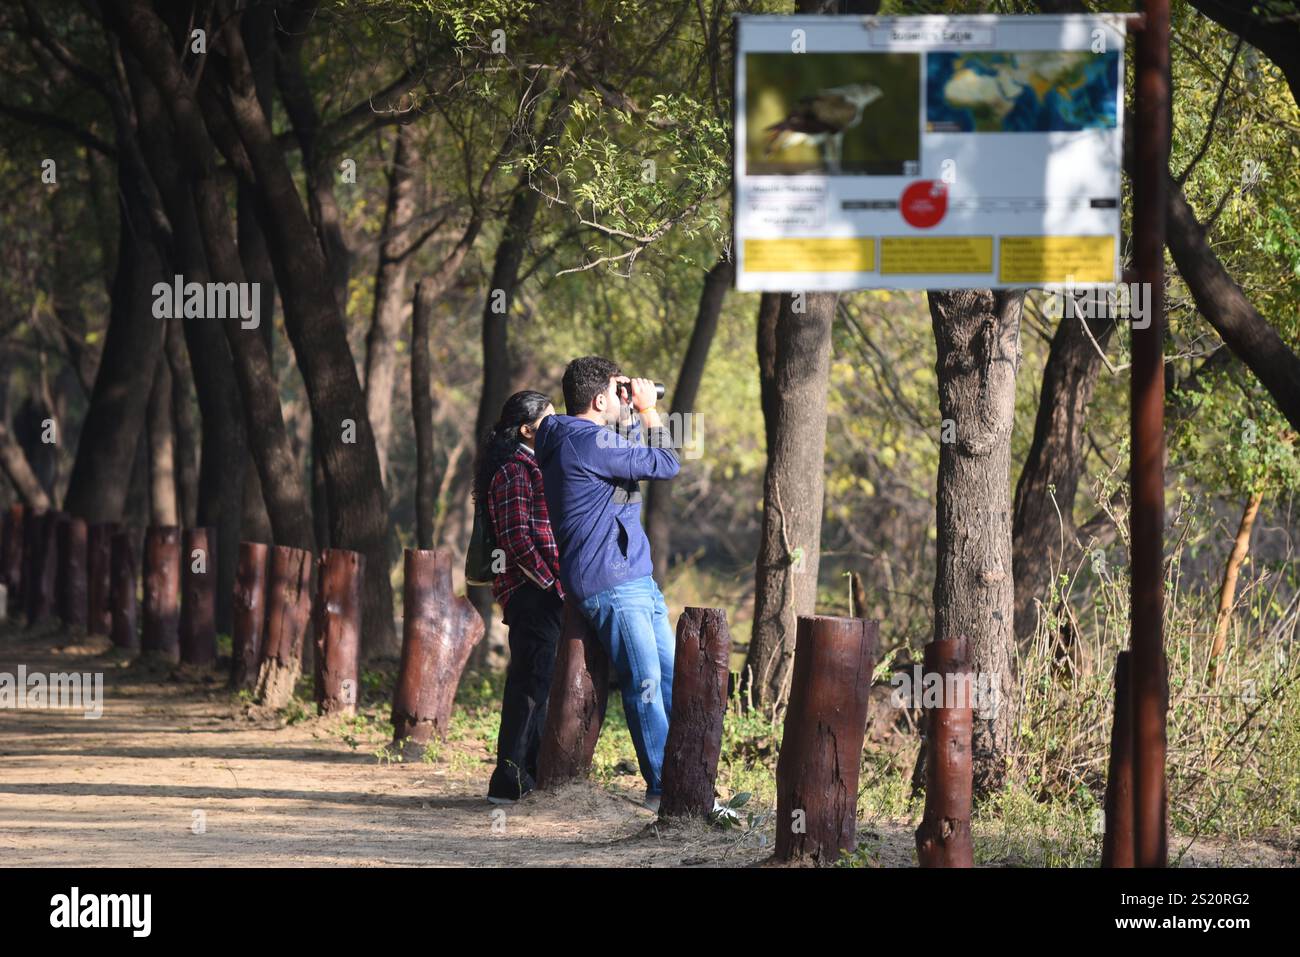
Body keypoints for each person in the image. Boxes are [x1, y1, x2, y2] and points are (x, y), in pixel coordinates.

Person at [534, 356, 681, 811]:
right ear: (599, 400)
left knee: (671, 677)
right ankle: (664, 789)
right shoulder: (587, 442)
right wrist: (648, 410)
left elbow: (630, 464)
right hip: (613, 581)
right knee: (646, 683)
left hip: (633, 577)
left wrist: (630, 413)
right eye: (618, 391)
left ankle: (685, 775)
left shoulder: (578, 439)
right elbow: (666, 462)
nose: (628, 396)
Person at [475, 390, 562, 804]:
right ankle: (508, 782)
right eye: (550, 418)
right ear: (527, 429)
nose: (557, 424)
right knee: (529, 686)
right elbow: (516, 539)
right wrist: (550, 584)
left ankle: (527, 776)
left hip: (541, 591)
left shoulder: (533, 464)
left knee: (539, 684)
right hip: (531, 593)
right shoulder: (514, 469)